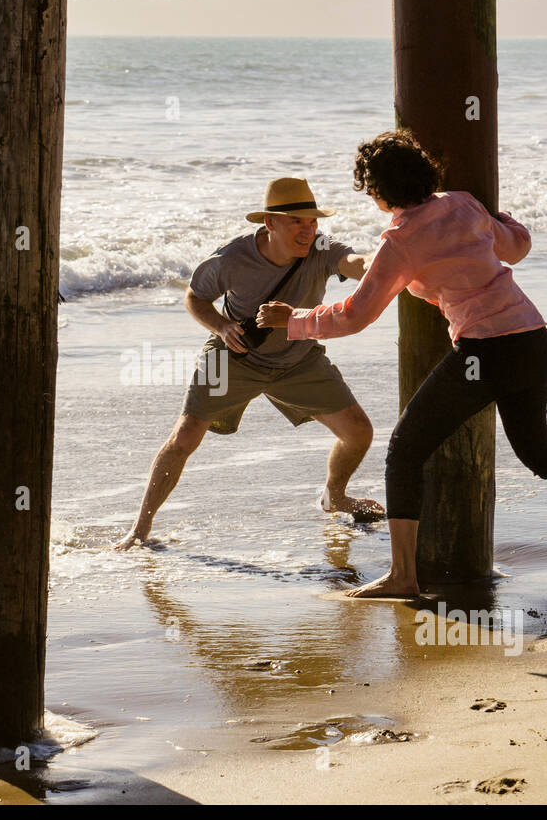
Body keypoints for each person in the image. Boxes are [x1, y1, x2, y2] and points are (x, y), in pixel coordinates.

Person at [256, 130, 547, 598]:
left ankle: (403, 577)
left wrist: (295, 320)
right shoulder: (464, 204)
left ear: (380, 191)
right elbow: (516, 247)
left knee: (404, 451)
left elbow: (354, 316)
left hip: (484, 353)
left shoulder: (399, 241)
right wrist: (496, 216)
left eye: (369, 189)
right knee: (537, 451)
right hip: (533, 339)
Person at [113, 177, 387, 551]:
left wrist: (391, 256)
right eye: (297, 222)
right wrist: (222, 327)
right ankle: (138, 531)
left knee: (359, 432)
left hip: (298, 359)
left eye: (312, 221)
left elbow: (358, 264)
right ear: (270, 223)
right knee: (185, 437)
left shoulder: (321, 248)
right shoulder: (232, 258)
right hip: (233, 357)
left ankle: (335, 497)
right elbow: (195, 298)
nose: (308, 231)